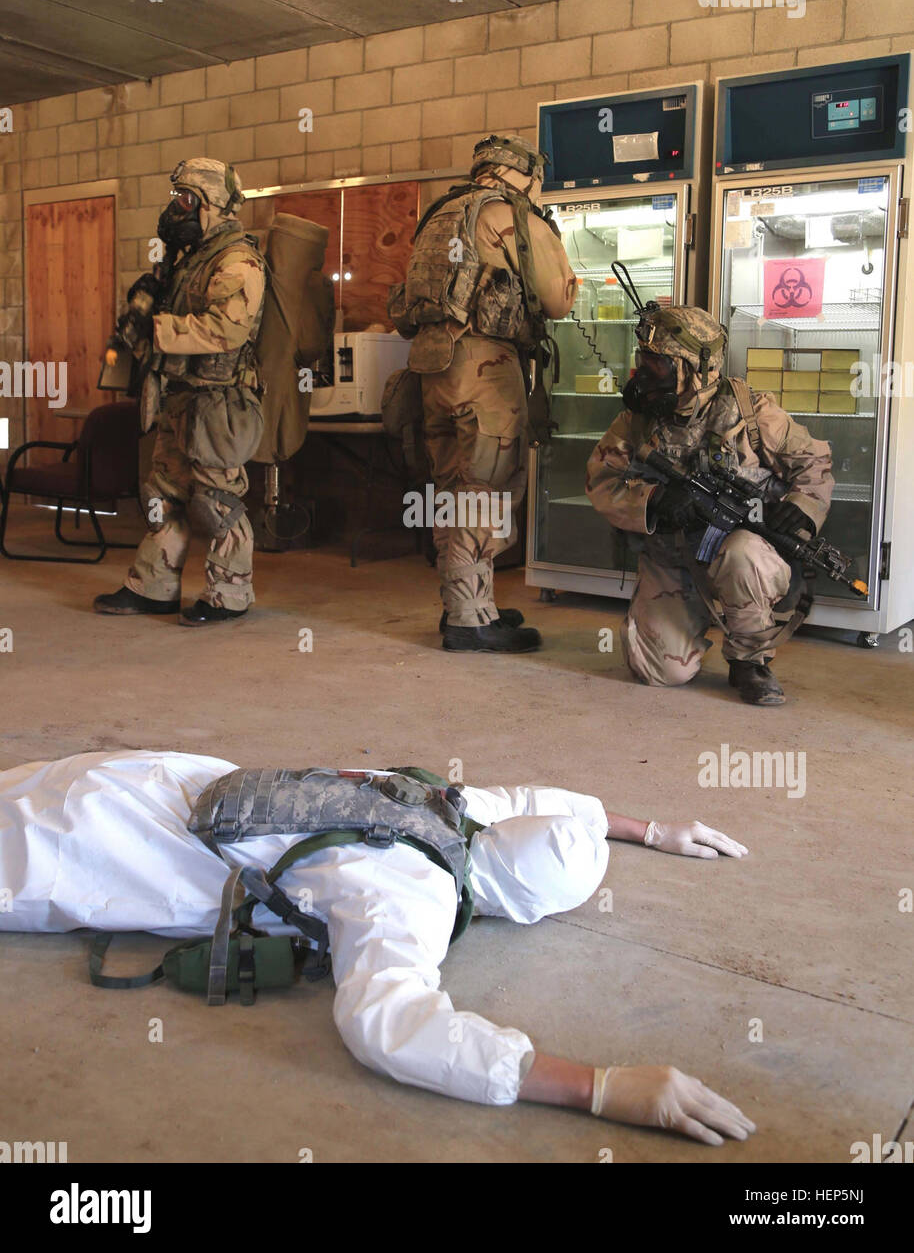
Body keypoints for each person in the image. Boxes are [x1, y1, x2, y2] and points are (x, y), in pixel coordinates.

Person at [0, 749, 753, 1147]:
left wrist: (650, 830)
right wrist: (596, 1086)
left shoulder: (437, 804)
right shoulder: (409, 901)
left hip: (146, 775)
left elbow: (536, 802)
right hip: (100, 852)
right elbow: (387, 1026)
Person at [586, 306, 834, 705]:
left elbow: (813, 461)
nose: (645, 373)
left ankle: (750, 659)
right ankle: (680, 625)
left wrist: (804, 505)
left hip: (735, 552)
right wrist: (654, 501)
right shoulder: (639, 418)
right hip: (672, 558)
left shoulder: (751, 412)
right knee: (659, 672)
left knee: (746, 554)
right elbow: (600, 478)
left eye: (659, 364)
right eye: (642, 360)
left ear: (693, 369)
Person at [390, 134, 577, 652]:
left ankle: (472, 602)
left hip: (435, 366)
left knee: (454, 489)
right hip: (485, 367)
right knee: (485, 490)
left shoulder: (441, 214)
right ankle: (468, 621)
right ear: (525, 176)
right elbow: (558, 299)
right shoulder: (509, 214)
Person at [94, 157, 267, 626]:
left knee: (217, 501)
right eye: (176, 198)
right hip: (179, 396)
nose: (177, 209)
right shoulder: (190, 259)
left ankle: (231, 593)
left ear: (211, 205)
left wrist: (157, 329)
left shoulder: (238, 260)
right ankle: (153, 586)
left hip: (218, 400)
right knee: (162, 493)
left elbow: (225, 330)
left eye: (186, 199)